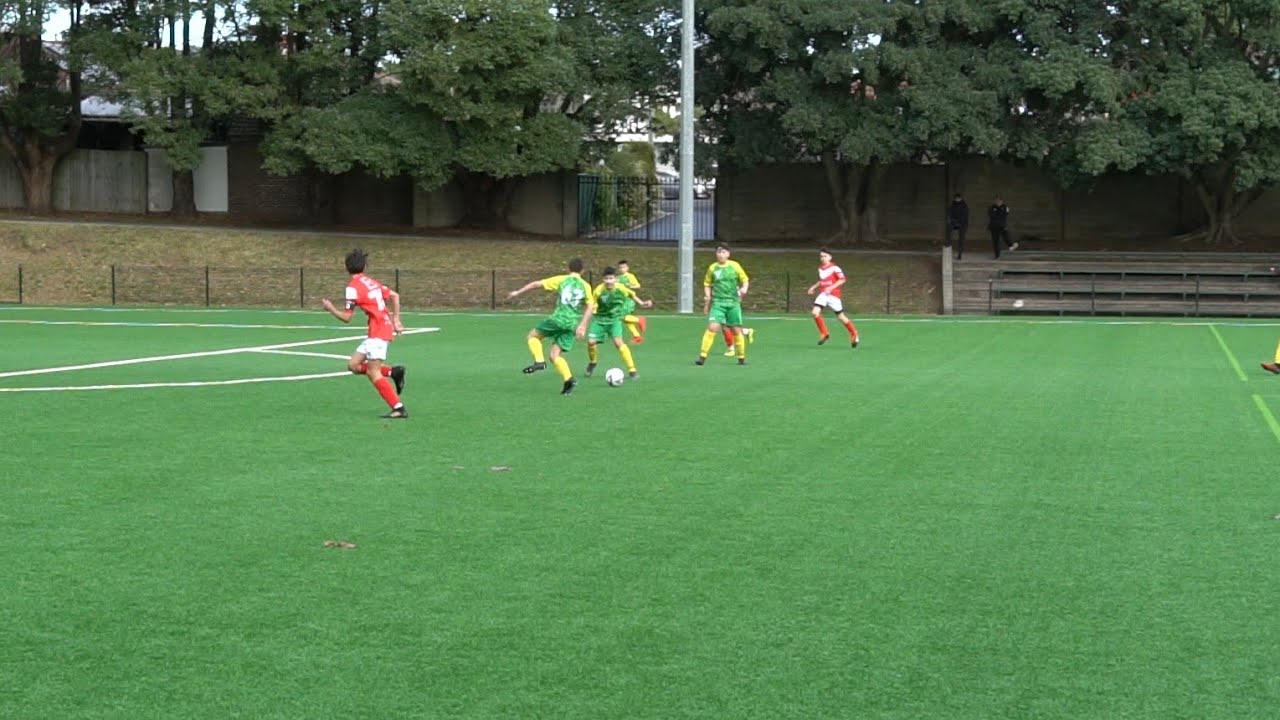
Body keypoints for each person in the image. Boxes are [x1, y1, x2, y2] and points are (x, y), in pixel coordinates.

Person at [321, 248, 407, 419]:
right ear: (364, 267)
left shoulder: (352, 288)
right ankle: (393, 372)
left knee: (373, 372)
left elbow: (347, 317)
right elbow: (395, 296)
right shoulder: (371, 282)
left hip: (379, 331)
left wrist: (330, 308)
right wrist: (396, 320)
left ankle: (398, 408)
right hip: (379, 329)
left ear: (346, 268)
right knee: (353, 365)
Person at [507, 258, 595, 395]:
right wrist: (583, 325)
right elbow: (590, 306)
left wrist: (518, 292)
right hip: (572, 324)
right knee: (555, 355)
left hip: (558, 319)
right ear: (582, 271)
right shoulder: (586, 286)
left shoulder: (562, 279)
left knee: (533, 336)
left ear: (568, 268)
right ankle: (569, 380)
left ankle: (539, 361)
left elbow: (537, 284)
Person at [586, 267, 653, 379]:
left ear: (615, 279)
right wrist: (593, 309)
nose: (608, 281)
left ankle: (632, 370)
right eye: (606, 279)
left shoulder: (621, 288)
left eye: (611, 278)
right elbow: (592, 303)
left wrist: (642, 303)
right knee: (591, 342)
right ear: (603, 279)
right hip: (600, 320)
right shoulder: (598, 290)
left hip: (614, 320)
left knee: (618, 343)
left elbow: (632, 294)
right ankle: (593, 362)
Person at [695, 243, 749, 366]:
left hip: (733, 303)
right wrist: (708, 296)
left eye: (723, 252)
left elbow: (745, 279)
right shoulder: (712, 268)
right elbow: (707, 283)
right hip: (718, 303)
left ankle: (741, 357)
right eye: (719, 252)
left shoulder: (735, 266)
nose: (721, 255)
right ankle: (702, 357)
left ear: (728, 254)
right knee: (712, 327)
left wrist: (744, 288)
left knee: (735, 330)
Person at [806, 248, 860, 348]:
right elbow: (822, 281)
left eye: (825, 256)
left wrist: (831, 287)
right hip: (823, 294)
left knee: (841, 317)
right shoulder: (820, 268)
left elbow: (842, 279)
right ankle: (824, 333)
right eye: (821, 256)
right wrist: (813, 287)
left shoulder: (835, 268)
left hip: (834, 295)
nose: (823, 258)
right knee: (815, 312)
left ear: (830, 257)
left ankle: (854, 333)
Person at [615, 259, 648, 343]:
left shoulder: (630, 276)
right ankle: (637, 336)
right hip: (621, 300)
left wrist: (629, 285)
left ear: (627, 268)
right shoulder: (618, 278)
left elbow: (637, 285)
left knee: (621, 317)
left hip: (628, 300)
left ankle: (639, 320)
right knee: (627, 320)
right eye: (620, 267)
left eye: (624, 267)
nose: (622, 269)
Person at [947, 193, 969, 260]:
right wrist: (952, 220)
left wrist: (959, 222)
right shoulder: (953, 205)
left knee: (961, 239)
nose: (957, 200)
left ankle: (960, 254)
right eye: (956, 198)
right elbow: (950, 213)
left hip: (963, 223)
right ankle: (948, 245)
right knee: (949, 231)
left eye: (958, 198)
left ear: (961, 198)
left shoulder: (964, 206)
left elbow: (965, 216)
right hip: (955, 222)